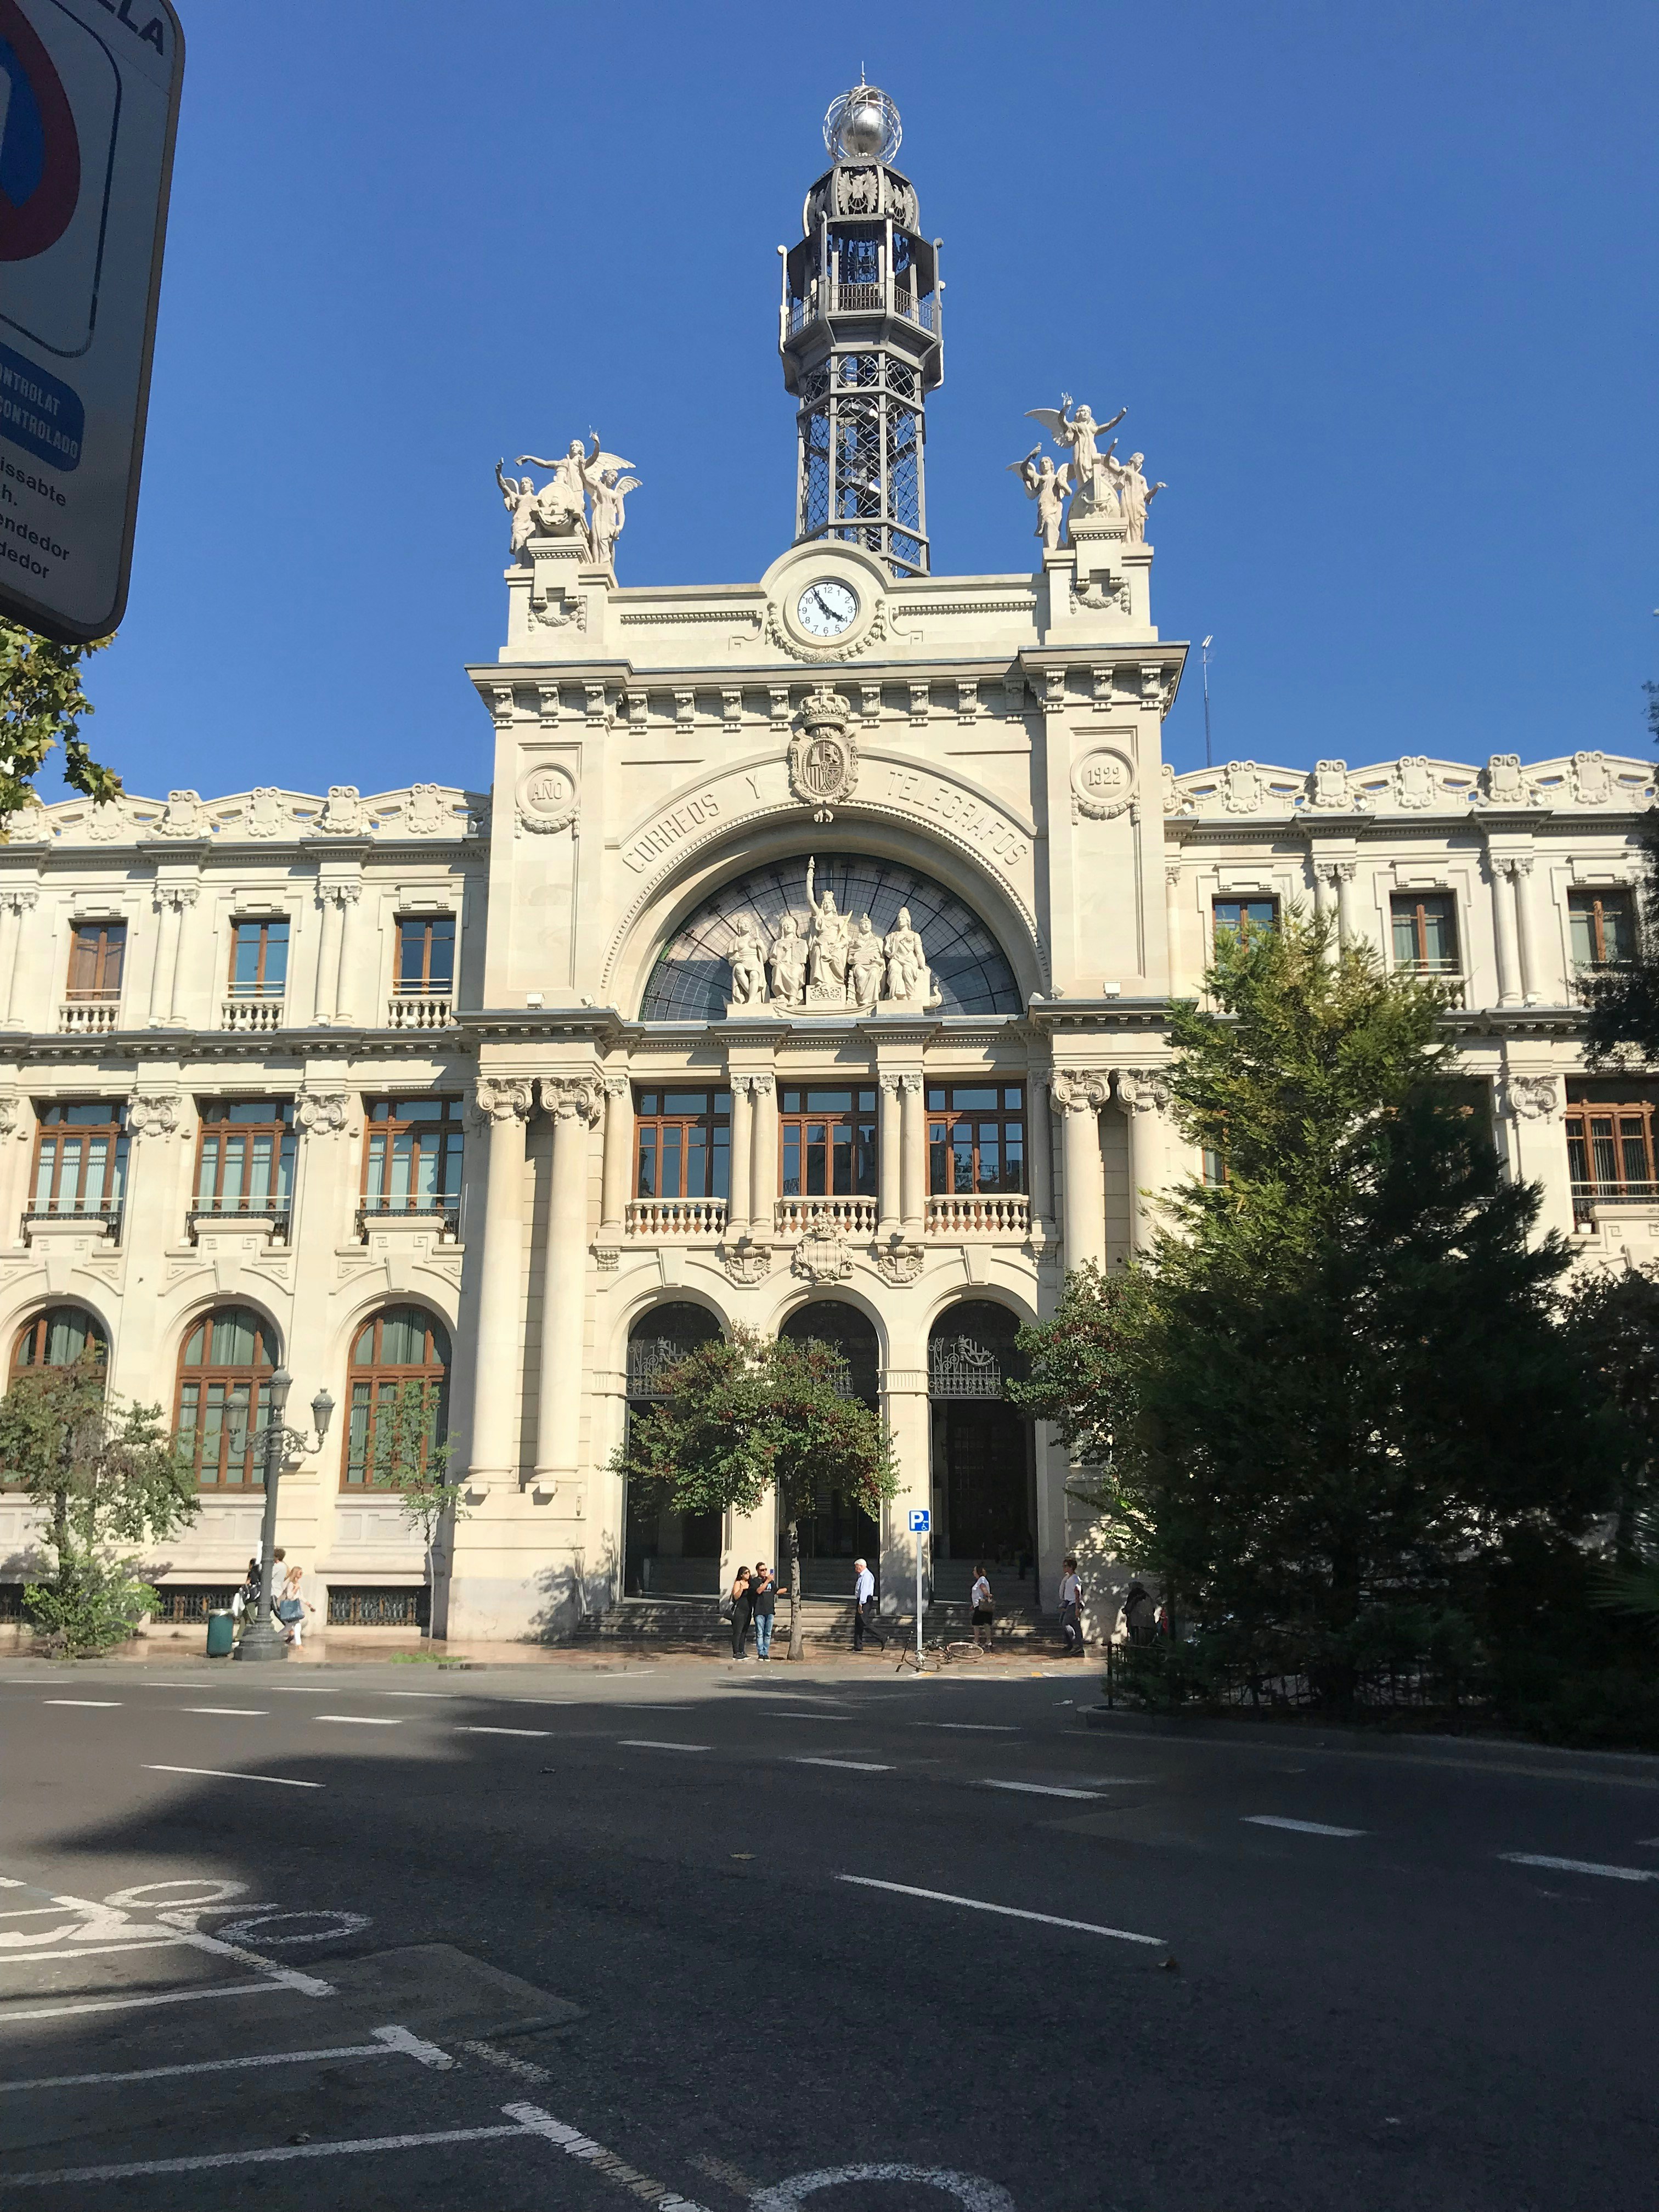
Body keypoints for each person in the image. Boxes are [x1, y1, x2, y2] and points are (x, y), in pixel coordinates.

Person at [276, 1559, 312, 1649]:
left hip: (294, 1608)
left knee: (288, 1628)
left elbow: (301, 1597)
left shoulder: (298, 1584)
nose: (301, 1575)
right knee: (296, 1626)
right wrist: (296, 1589)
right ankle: (299, 1645)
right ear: (296, 1574)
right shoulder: (291, 1584)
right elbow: (289, 1596)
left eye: (302, 1573)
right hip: (289, 1608)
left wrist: (310, 1605)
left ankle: (275, 1639)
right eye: (300, 1573)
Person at [851, 1557, 885, 1652]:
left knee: (864, 1622)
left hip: (865, 1601)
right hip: (862, 1600)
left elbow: (864, 1591)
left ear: (861, 1566)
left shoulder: (866, 1576)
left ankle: (882, 1637)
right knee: (858, 1623)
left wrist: (861, 1604)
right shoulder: (862, 1576)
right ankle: (858, 1645)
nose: (855, 1569)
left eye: (856, 1567)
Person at [751, 1561, 780, 1661]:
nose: (764, 1572)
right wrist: (767, 1581)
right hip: (759, 1610)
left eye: (765, 1570)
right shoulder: (755, 1581)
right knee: (760, 1633)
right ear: (758, 1571)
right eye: (762, 1570)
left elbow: (776, 1591)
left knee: (768, 1634)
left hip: (770, 1610)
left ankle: (766, 1652)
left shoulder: (771, 1582)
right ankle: (761, 1653)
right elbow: (759, 1591)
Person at [1058, 1554, 1084, 1658]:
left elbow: (1077, 1592)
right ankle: (1077, 1645)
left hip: (1074, 1604)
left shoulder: (1074, 1578)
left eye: (1066, 1566)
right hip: (1070, 1603)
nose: (1064, 1568)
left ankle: (1075, 1643)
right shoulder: (1069, 1578)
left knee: (1066, 1623)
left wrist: (1077, 1607)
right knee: (1075, 1624)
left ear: (1071, 1567)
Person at [729, 1564, 753, 1660]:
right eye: (746, 1573)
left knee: (744, 1631)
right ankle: (736, 1652)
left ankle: (742, 1651)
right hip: (739, 1610)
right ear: (741, 1575)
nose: (748, 1575)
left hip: (748, 1610)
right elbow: (736, 1596)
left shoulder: (750, 1583)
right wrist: (742, 1589)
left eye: (749, 1573)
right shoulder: (738, 1583)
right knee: (738, 1631)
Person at [970, 1564, 994, 1651]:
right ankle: (988, 1641)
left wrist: (987, 1594)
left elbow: (983, 1589)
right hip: (980, 1605)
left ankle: (976, 1641)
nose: (973, 1572)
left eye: (974, 1571)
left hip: (981, 1606)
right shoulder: (981, 1580)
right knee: (986, 1623)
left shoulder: (981, 1580)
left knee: (976, 1623)